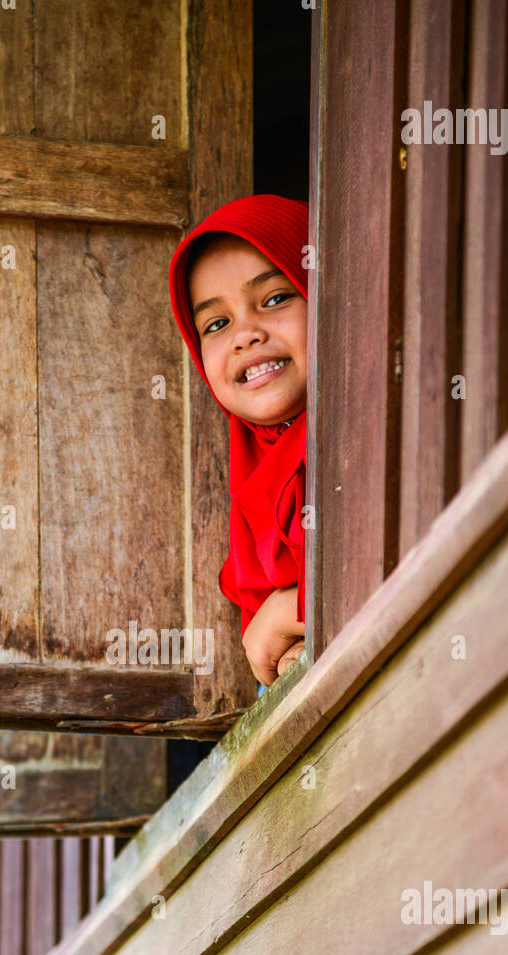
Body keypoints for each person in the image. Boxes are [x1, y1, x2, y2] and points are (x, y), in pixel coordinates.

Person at [169, 194, 309, 691]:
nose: (245, 335)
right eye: (216, 324)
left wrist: (297, 606)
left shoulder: (379, 430)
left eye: (275, 299)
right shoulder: (252, 486)